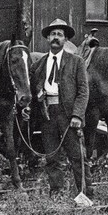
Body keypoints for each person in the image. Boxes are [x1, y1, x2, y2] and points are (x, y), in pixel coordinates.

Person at [30, 18, 91, 199]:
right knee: (51, 158)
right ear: (47, 38)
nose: (56, 38)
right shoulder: (38, 65)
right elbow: (32, 89)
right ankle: (56, 193)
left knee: (77, 157)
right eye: (53, 34)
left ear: (65, 40)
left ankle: (85, 193)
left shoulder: (76, 62)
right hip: (47, 115)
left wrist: (78, 115)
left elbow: (83, 91)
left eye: (60, 35)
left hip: (68, 116)